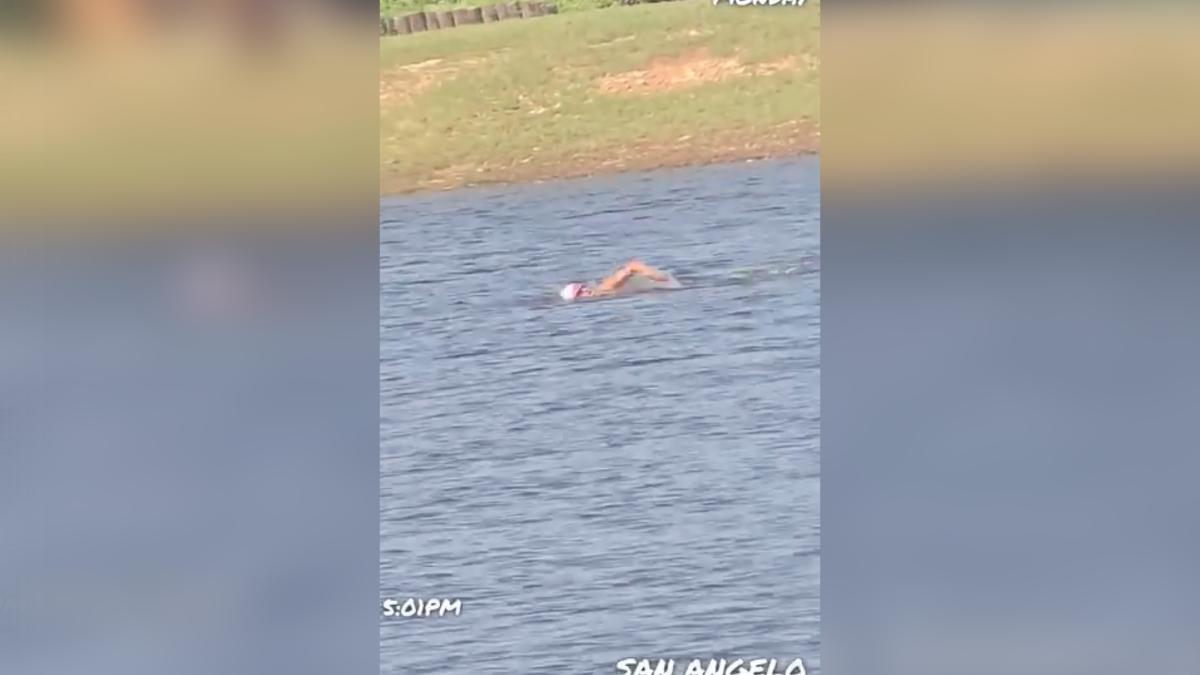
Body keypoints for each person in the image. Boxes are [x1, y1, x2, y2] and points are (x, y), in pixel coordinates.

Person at [559, 259, 671, 301]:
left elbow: (632, 265)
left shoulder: (607, 287)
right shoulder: (604, 294)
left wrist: (652, 274)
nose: (585, 291)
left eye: (583, 288)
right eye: (580, 293)